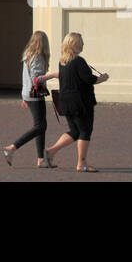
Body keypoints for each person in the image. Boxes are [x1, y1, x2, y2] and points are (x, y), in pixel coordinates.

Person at [45, 32, 109, 172]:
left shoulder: (62, 61)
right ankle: (82, 163)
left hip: (66, 102)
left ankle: (50, 152)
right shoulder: (79, 61)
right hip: (80, 102)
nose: (83, 45)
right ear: (76, 45)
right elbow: (90, 79)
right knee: (85, 131)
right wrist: (103, 78)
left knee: (75, 131)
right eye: (81, 42)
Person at [2, 31, 59, 169]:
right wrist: (53, 75)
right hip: (35, 94)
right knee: (40, 126)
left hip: (28, 93)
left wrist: (23, 96)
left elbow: (25, 77)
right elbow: (36, 78)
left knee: (41, 126)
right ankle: (12, 148)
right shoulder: (38, 56)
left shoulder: (28, 54)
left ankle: (40, 159)